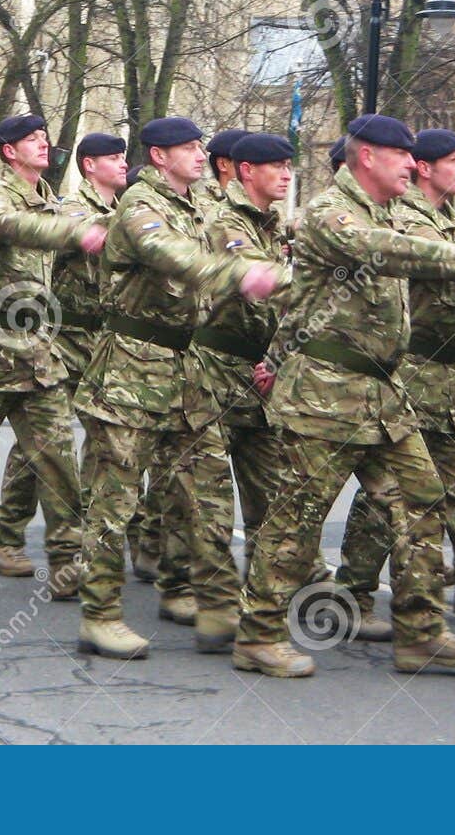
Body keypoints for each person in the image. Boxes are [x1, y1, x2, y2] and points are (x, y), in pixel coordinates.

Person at [230, 115, 455, 679]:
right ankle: (258, 634)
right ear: (367, 158)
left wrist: (274, 356)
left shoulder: (381, 210)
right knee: (296, 519)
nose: (412, 164)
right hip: (324, 396)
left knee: (423, 501)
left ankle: (421, 631)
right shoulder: (332, 214)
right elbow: (384, 251)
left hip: (382, 395)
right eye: (401, 155)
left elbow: (309, 303)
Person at [74, 117, 281, 660]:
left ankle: (216, 607)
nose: (199, 154)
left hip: (189, 371)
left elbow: (231, 246)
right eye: (188, 148)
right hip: (130, 371)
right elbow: (172, 256)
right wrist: (234, 274)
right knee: (114, 499)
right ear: (160, 156)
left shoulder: (200, 208)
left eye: (199, 146)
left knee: (206, 491)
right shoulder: (139, 207)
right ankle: (99, 614)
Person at [336, 128, 455, 642]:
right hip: (410, 373)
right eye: (452, 160)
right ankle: (353, 595)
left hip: (447, 377)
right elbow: (410, 256)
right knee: (387, 499)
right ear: (426, 169)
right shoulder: (408, 218)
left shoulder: (445, 219)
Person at [0, 132, 127, 577]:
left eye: (125, 156)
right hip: (66, 336)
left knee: (112, 442)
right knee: (45, 443)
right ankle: (9, 535)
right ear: (89, 165)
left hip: (104, 341)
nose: (123, 164)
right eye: (113, 157)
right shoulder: (72, 209)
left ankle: (103, 536)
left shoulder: (119, 210)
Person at [190, 132, 294, 578]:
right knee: (206, 499)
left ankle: (264, 590)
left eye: (290, 167)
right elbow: (256, 276)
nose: (287, 175)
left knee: (271, 495)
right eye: (278, 166)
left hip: (259, 375)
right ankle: (200, 590)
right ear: (246, 170)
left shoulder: (268, 223)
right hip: (215, 372)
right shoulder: (225, 221)